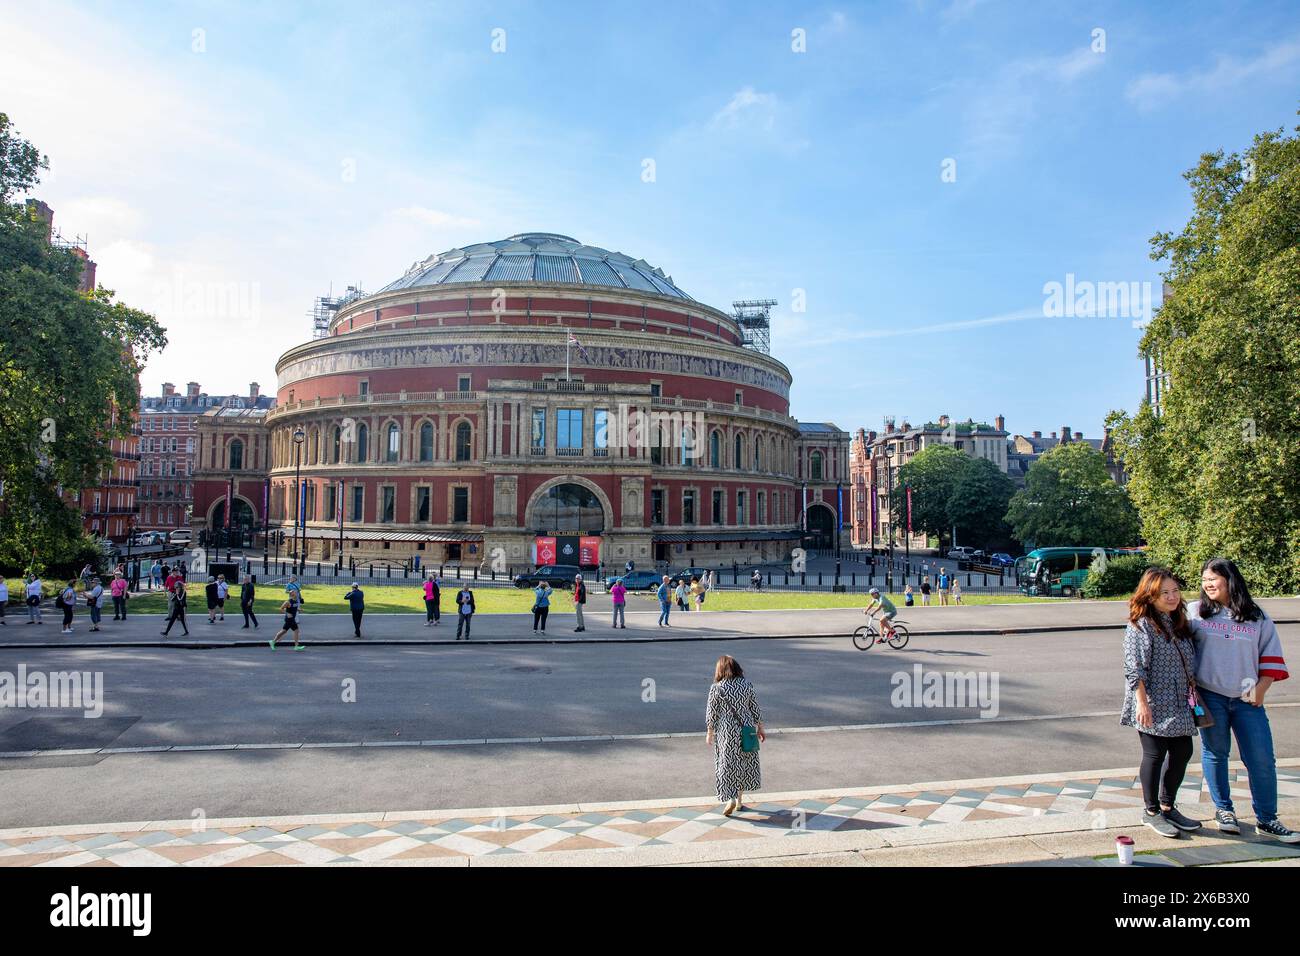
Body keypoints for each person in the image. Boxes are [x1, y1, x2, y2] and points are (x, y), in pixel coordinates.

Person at [1190, 557, 1297, 842]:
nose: (1208, 584)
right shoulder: (1195, 613)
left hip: (1248, 698)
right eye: (1204, 579)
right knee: (1216, 753)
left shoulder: (1256, 616)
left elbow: (1271, 656)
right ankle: (1224, 811)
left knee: (1261, 758)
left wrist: (1262, 688)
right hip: (1210, 695)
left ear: (1230, 579)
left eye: (1213, 578)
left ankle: (1267, 818)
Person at [1120, 567, 1202, 838]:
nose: (1171, 597)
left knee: (1182, 752)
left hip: (1179, 701)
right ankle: (1151, 810)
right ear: (1150, 595)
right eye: (1164, 592)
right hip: (1152, 700)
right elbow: (1135, 669)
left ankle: (1168, 806)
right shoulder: (1141, 624)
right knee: (1155, 755)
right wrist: (1142, 703)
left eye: (1175, 591)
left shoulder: (1178, 622)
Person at [705, 655, 765, 816]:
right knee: (744, 763)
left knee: (727, 762)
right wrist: (760, 727)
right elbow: (755, 708)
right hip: (747, 729)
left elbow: (712, 713)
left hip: (726, 730)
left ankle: (730, 797)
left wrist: (710, 732)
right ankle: (739, 801)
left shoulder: (717, 688)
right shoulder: (747, 685)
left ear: (720, 670)